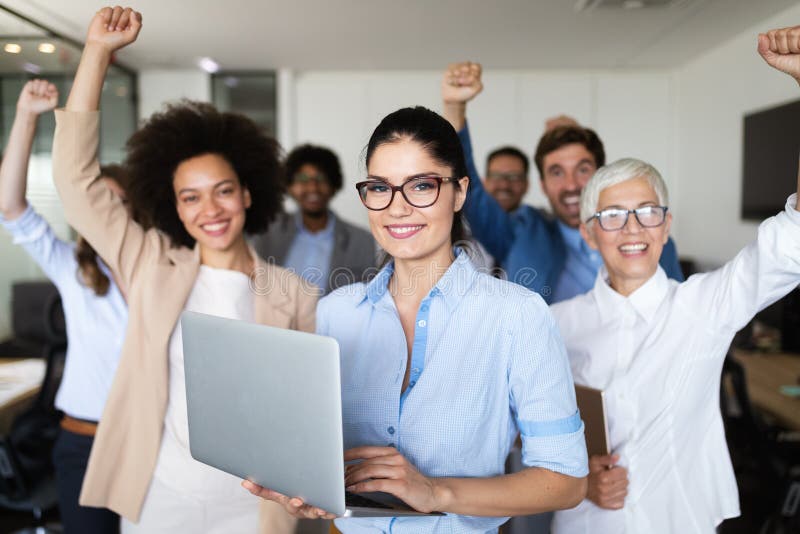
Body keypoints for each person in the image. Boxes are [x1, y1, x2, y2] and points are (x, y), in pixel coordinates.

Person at [244, 105, 589, 533]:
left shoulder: (517, 315)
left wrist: (436, 491)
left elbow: (566, 481)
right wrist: (301, 490)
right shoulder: (336, 312)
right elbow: (321, 455)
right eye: (380, 187)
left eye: (421, 185)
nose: (397, 208)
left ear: (459, 193)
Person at [52, 7, 316, 533]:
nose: (210, 210)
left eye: (222, 191)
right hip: (161, 494)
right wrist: (98, 55)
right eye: (190, 198)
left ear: (246, 193)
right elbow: (76, 182)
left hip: (252, 505)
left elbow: (305, 416)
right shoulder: (150, 264)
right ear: (174, 207)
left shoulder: (294, 294)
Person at [549, 26, 800, 533]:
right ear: (589, 234)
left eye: (647, 212)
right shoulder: (553, 325)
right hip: (586, 524)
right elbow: (516, 435)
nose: (633, 228)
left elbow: (793, 238)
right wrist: (578, 480)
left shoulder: (705, 305)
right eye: (614, 216)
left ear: (667, 225)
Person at [440, 63, 685, 303]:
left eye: (583, 169)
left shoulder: (645, 235)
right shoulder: (522, 232)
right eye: (557, 172)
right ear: (543, 184)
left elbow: (677, 312)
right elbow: (468, 189)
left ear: (601, 175)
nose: (571, 185)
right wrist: (455, 108)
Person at [0, 80, 128, 534]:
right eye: (96, 201)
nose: (106, 211)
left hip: (146, 444)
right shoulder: (74, 272)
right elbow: (11, 206)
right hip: (83, 443)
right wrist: (26, 117)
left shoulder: (159, 272)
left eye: (118, 201)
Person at [251, 143, 376, 294]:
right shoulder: (268, 233)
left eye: (321, 178)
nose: (312, 188)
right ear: (289, 186)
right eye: (302, 178)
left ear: (334, 185)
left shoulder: (361, 241)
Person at [482, 145, 529, 213]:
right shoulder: (464, 221)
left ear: (526, 185)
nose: (504, 185)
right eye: (496, 176)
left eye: (514, 177)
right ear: (484, 182)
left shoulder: (542, 220)